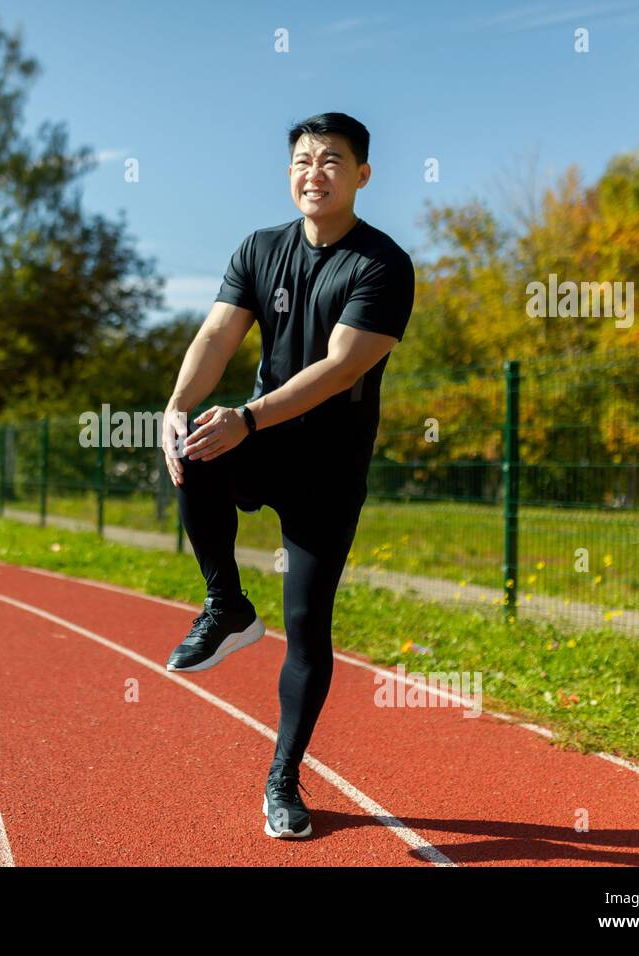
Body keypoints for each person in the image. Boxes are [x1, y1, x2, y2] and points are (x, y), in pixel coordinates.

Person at [160, 112, 415, 839]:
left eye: (332, 160)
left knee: (306, 625)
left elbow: (339, 369)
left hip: (326, 464)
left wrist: (245, 417)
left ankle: (282, 779)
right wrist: (177, 407)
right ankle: (227, 607)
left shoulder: (381, 264)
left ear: (362, 175)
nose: (315, 172)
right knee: (191, 443)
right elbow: (217, 333)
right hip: (260, 437)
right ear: (289, 172)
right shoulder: (259, 248)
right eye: (303, 160)